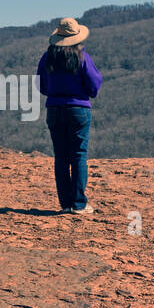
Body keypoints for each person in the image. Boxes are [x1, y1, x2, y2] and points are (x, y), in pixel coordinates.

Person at [37, 18, 103, 214]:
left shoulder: (47, 58)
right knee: (79, 156)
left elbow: (41, 85)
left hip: (54, 109)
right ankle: (79, 204)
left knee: (61, 157)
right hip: (78, 110)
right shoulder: (83, 57)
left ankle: (65, 204)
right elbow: (93, 85)